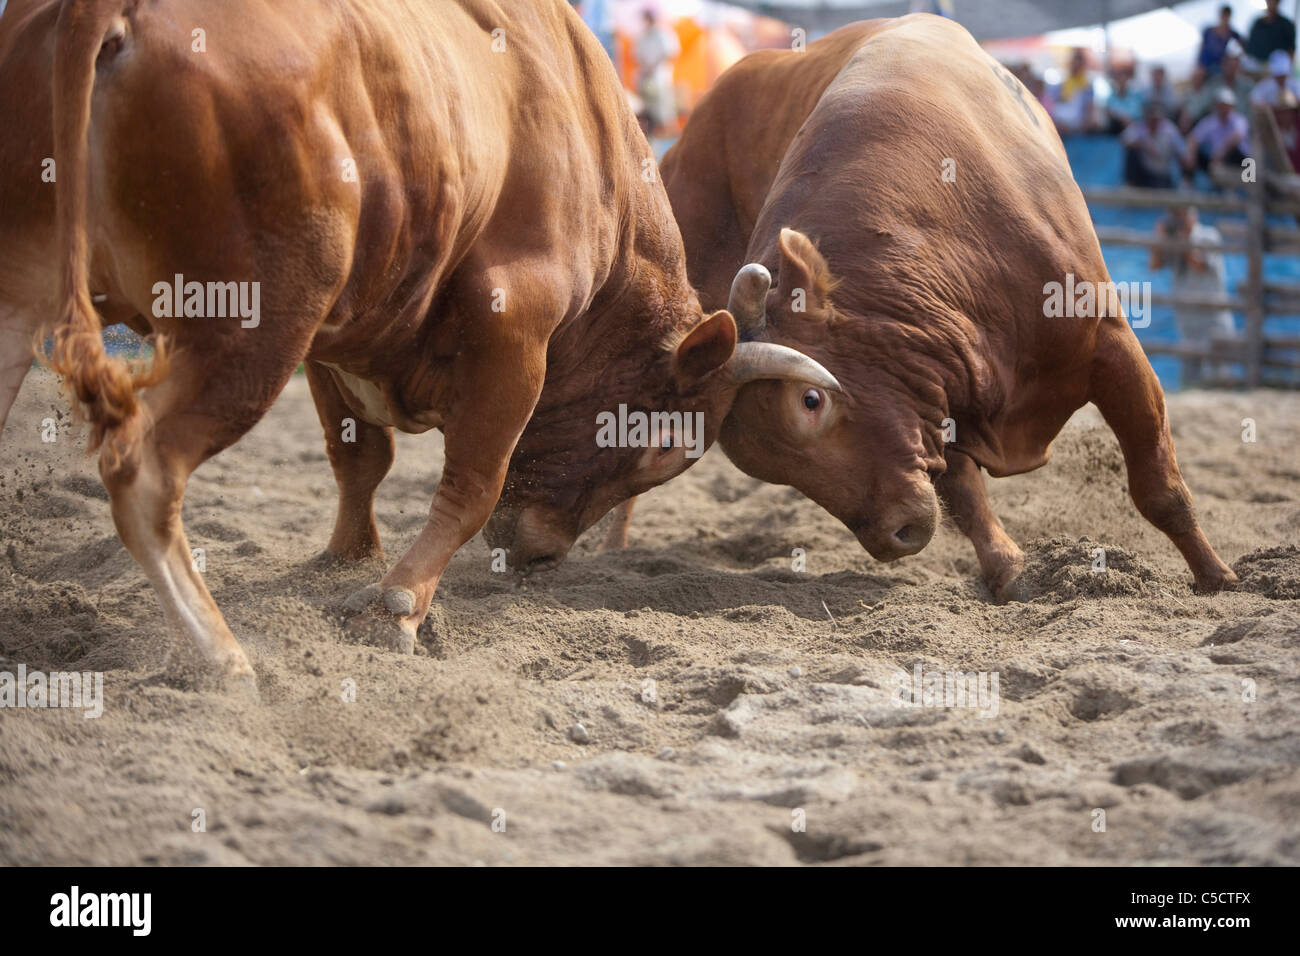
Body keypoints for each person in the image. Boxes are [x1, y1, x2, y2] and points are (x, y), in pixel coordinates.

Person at [1150, 206, 1238, 387]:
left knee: (1219, 378)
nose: (1177, 220)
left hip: (1212, 320)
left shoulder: (1208, 235)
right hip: (1187, 322)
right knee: (1190, 382)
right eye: (1174, 215)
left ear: (1192, 214)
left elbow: (1198, 264)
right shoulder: (1173, 240)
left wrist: (1182, 241)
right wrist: (1160, 240)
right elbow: (1154, 265)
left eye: (1181, 215)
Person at [1185, 88, 1250, 179]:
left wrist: (1221, 152)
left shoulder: (1239, 120)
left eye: (1226, 105)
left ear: (1232, 106)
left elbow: (1237, 137)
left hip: (1238, 160)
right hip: (1216, 159)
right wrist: (1191, 154)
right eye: (1221, 105)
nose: (1223, 108)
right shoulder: (1210, 121)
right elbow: (1194, 138)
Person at [635, 8, 679, 137]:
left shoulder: (664, 34)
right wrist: (647, 67)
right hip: (646, 78)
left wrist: (653, 66)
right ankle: (652, 135)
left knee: (664, 111)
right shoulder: (643, 36)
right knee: (648, 110)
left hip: (660, 78)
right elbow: (638, 55)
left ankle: (668, 136)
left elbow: (669, 53)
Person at [1121, 101, 1186, 188]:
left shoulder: (1170, 130)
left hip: (1162, 173)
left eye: (1156, 119)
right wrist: (1144, 145)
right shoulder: (1141, 126)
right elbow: (1124, 139)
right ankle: (1130, 184)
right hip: (1144, 172)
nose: (1154, 122)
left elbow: (1182, 153)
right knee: (1131, 152)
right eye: (1151, 119)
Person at [1054, 48, 1097, 133]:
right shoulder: (1065, 83)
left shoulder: (1087, 84)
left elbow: (1090, 105)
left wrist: (1088, 120)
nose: (1075, 66)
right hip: (1067, 118)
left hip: (1080, 118)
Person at [1246, 0, 1296, 67]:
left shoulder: (1286, 25)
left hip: (1276, 67)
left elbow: (1291, 49)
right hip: (1256, 64)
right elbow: (1250, 45)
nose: (1271, 3)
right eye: (1269, 1)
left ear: (1278, 3)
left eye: (1273, 1)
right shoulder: (1258, 23)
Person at [1199, 5, 1245, 74]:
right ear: (1220, 16)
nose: (1225, 18)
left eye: (1227, 16)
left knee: (1233, 64)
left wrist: (1231, 58)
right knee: (1198, 73)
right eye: (1224, 15)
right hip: (1206, 62)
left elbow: (1241, 50)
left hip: (1223, 63)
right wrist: (1199, 63)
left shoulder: (1233, 34)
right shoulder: (1208, 31)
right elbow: (1201, 48)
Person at [1105, 67, 1143, 134]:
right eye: (1118, 79)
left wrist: (1127, 119)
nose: (1121, 82)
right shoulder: (1111, 97)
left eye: (1123, 79)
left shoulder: (1136, 96)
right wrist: (1122, 118)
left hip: (1134, 126)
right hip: (1117, 127)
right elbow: (1110, 112)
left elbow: (1137, 113)